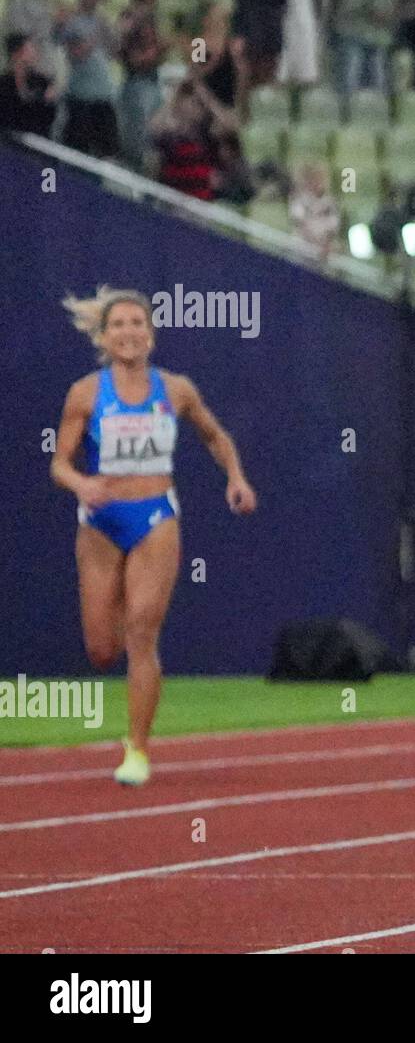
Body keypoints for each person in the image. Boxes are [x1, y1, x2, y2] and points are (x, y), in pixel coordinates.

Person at [51, 288, 256, 785]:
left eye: (137, 323)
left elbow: (215, 434)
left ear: (151, 333)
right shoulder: (84, 393)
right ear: (104, 336)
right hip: (100, 522)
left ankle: (137, 749)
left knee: (143, 634)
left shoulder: (177, 389)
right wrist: (82, 483)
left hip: (155, 517)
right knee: (102, 649)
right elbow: (60, 463)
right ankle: (122, 605)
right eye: (118, 324)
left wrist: (235, 476)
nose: (128, 332)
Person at [57, 0, 121, 160]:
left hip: (102, 95)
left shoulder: (102, 21)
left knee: (107, 151)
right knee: (78, 150)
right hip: (81, 96)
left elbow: (115, 51)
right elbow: (73, 53)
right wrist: (92, 40)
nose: (96, 0)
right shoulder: (72, 22)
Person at [118, 0, 165, 170]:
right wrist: (157, 51)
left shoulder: (139, 16)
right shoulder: (136, 16)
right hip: (139, 84)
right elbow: (128, 52)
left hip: (147, 81)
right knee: (140, 144)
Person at [0, 33, 58, 137]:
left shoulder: (42, 81)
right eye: (30, 48)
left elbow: (49, 118)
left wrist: (49, 101)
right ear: (16, 53)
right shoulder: (4, 83)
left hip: (37, 140)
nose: (35, 53)